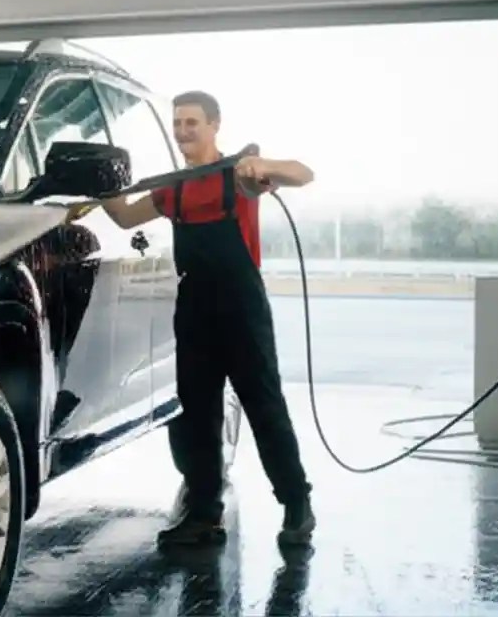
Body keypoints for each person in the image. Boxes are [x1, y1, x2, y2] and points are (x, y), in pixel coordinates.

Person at [71, 90, 316, 548]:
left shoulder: (239, 175)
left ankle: (296, 505)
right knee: (196, 415)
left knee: (264, 407)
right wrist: (98, 185)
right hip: (195, 307)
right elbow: (125, 218)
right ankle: (204, 515)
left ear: (214, 125)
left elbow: (304, 173)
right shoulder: (173, 187)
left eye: (192, 123)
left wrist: (266, 168)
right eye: (178, 123)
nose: (183, 131)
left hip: (242, 308)